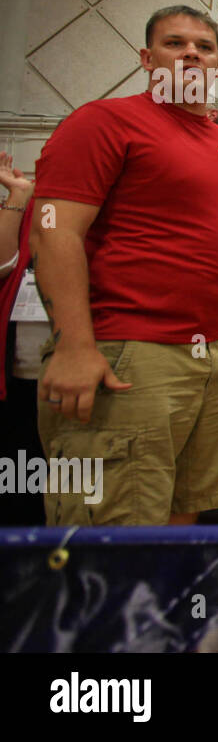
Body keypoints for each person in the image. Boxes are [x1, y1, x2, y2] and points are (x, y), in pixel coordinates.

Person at [32, 4, 218, 526]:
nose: (190, 56)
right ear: (146, 58)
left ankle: (168, 611)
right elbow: (53, 230)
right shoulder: (103, 121)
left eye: (203, 48)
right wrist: (72, 345)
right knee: (108, 535)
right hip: (127, 352)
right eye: (175, 44)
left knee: (184, 516)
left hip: (208, 355)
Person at [0, 152, 45, 525]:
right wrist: (17, 195)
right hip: (21, 373)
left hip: (83, 369)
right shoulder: (28, 202)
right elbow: (2, 264)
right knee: (20, 479)